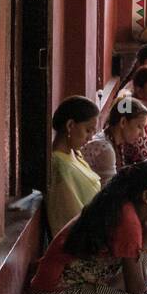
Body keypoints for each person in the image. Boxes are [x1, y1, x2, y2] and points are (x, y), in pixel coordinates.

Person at [26, 161, 147, 294]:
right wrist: (146, 244)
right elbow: (136, 290)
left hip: (90, 278)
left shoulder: (128, 206)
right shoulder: (128, 221)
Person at [46, 96, 102, 236]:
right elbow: (71, 220)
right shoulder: (59, 165)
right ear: (70, 125)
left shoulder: (75, 152)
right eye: (88, 130)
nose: (90, 137)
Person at [83, 97, 147, 184]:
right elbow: (110, 192)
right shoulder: (105, 149)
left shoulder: (112, 140)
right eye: (139, 127)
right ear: (123, 122)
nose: (142, 134)